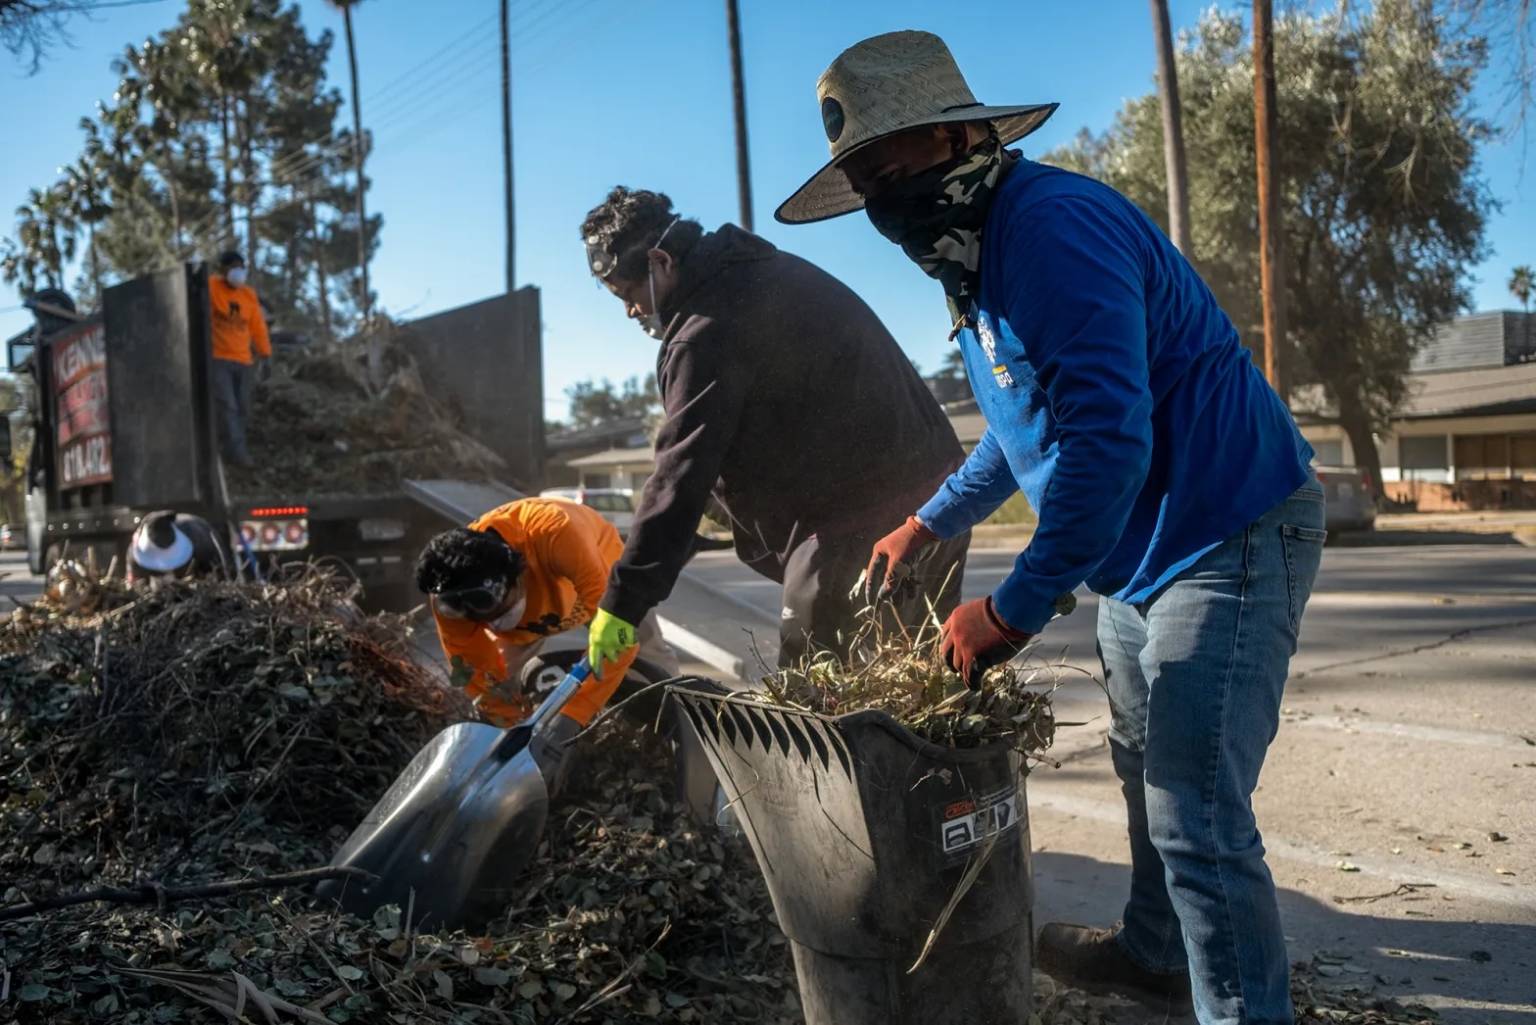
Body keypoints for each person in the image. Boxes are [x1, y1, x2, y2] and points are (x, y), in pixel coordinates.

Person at [776, 30, 1326, 1025]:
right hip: (1137, 556)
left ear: (958, 138)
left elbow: (1108, 439)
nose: (883, 203)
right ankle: (1156, 955)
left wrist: (1012, 609)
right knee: (1144, 768)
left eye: (890, 168)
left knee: (1196, 809)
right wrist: (925, 522)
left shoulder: (1051, 230)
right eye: (864, 184)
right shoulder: (979, 262)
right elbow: (1019, 430)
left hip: (1226, 530)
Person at [579, 187, 969, 677]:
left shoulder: (705, 331)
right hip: (941, 500)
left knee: (818, 698)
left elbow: (681, 473)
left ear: (660, 262)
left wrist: (623, 602)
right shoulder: (767, 272)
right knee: (924, 679)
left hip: (858, 525)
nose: (631, 312)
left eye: (627, 295)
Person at [416, 496, 678, 730]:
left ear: (516, 573)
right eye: (468, 612)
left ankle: (680, 718)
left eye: (487, 604)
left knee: (649, 658)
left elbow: (619, 641)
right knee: (503, 684)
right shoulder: (450, 591)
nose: (485, 620)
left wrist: (573, 715)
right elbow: (476, 677)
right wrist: (514, 728)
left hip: (603, 581)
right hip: (529, 623)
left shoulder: (555, 533)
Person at [208, 250, 271, 467]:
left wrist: (265, 353)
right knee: (227, 406)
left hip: (243, 361)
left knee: (242, 407)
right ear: (222, 269)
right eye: (233, 267)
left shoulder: (248, 295)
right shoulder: (211, 288)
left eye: (241, 267)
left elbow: (257, 326)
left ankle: (234, 448)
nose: (238, 272)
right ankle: (236, 453)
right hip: (218, 358)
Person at [128, 511, 234, 581]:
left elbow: (220, 567)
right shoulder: (137, 547)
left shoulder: (198, 534)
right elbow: (133, 578)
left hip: (198, 570)